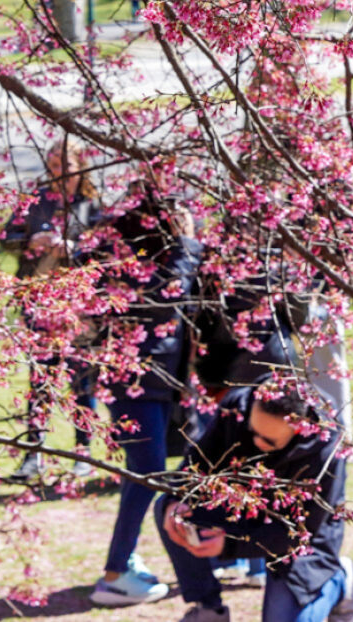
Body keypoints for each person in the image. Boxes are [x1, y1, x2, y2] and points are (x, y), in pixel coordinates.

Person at [89, 179, 204, 608]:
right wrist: (187, 246)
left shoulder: (136, 253)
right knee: (147, 470)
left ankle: (126, 563)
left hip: (154, 378)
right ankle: (115, 572)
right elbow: (165, 294)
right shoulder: (132, 258)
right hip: (135, 379)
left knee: (152, 469)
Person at [157, 387, 353, 622]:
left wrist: (229, 546)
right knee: (168, 511)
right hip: (245, 504)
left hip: (300, 534)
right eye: (253, 431)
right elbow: (198, 462)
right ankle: (209, 608)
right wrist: (177, 500)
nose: (256, 442)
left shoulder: (326, 446)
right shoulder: (239, 405)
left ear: (298, 429)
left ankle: (339, 580)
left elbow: (300, 533)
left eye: (269, 440)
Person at [0, 142, 104, 482]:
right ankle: (35, 452)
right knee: (39, 379)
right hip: (40, 299)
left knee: (81, 380)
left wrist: (78, 248)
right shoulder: (37, 200)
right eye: (53, 163)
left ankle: (82, 452)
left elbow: (107, 248)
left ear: (80, 165)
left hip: (80, 306)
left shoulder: (92, 204)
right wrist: (31, 242)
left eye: (65, 163)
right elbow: (7, 237)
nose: (58, 170)